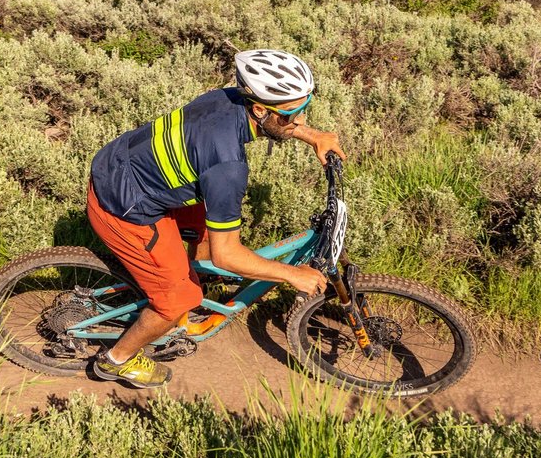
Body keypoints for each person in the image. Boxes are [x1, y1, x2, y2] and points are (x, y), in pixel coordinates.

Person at [85, 49, 346, 388]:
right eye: (292, 114)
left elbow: (275, 123)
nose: (299, 120)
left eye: (303, 108)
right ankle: (117, 359)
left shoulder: (227, 97)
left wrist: (313, 135)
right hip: (124, 206)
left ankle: (188, 275)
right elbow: (228, 254)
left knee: (208, 235)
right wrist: (291, 274)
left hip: (128, 166)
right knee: (181, 298)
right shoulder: (227, 167)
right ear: (258, 108)